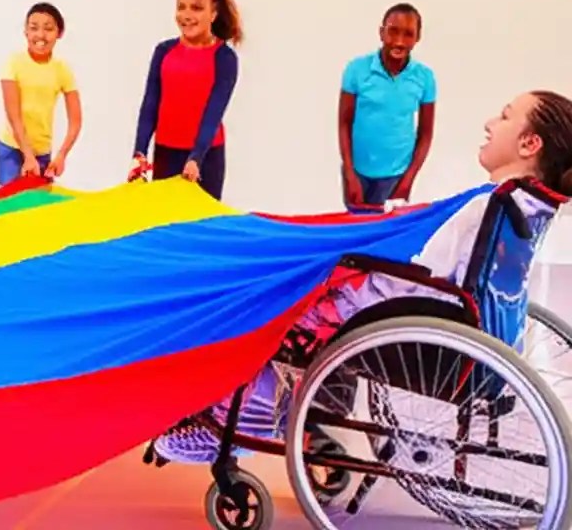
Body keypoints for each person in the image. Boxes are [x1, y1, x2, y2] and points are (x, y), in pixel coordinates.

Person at [150, 89, 572, 466]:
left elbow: (421, 275)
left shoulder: (491, 206)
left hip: (406, 315)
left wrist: (348, 258)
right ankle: (279, 410)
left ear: (528, 143)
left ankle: (242, 414)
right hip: (460, 326)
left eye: (503, 116)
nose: (489, 124)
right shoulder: (518, 206)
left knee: (275, 294)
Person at [130, 0, 241, 200]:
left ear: (213, 13)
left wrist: (196, 157)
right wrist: (139, 152)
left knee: (201, 228)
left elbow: (214, 112)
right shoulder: (164, 51)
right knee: (166, 224)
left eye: (197, 8)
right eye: (181, 7)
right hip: (166, 152)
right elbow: (150, 105)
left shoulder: (224, 57)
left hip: (205, 157)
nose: (187, 15)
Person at [338, 3, 436, 211]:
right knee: (357, 228)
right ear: (381, 32)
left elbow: (425, 133)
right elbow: (344, 123)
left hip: (396, 177)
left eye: (408, 34)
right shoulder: (356, 70)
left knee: (385, 232)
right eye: (393, 31)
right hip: (357, 173)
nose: (399, 41)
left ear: (418, 37)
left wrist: (408, 180)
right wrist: (349, 172)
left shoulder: (424, 78)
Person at [0, 2, 82, 185]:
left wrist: (61, 155)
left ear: (59, 33)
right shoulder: (14, 63)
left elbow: (75, 121)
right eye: (34, 28)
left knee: (39, 210)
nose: (40, 35)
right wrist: (27, 155)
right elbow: (14, 116)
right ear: (26, 31)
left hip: (42, 153)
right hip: (11, 149)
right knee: (12, 208)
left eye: (48, 29)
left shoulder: (62, 70)